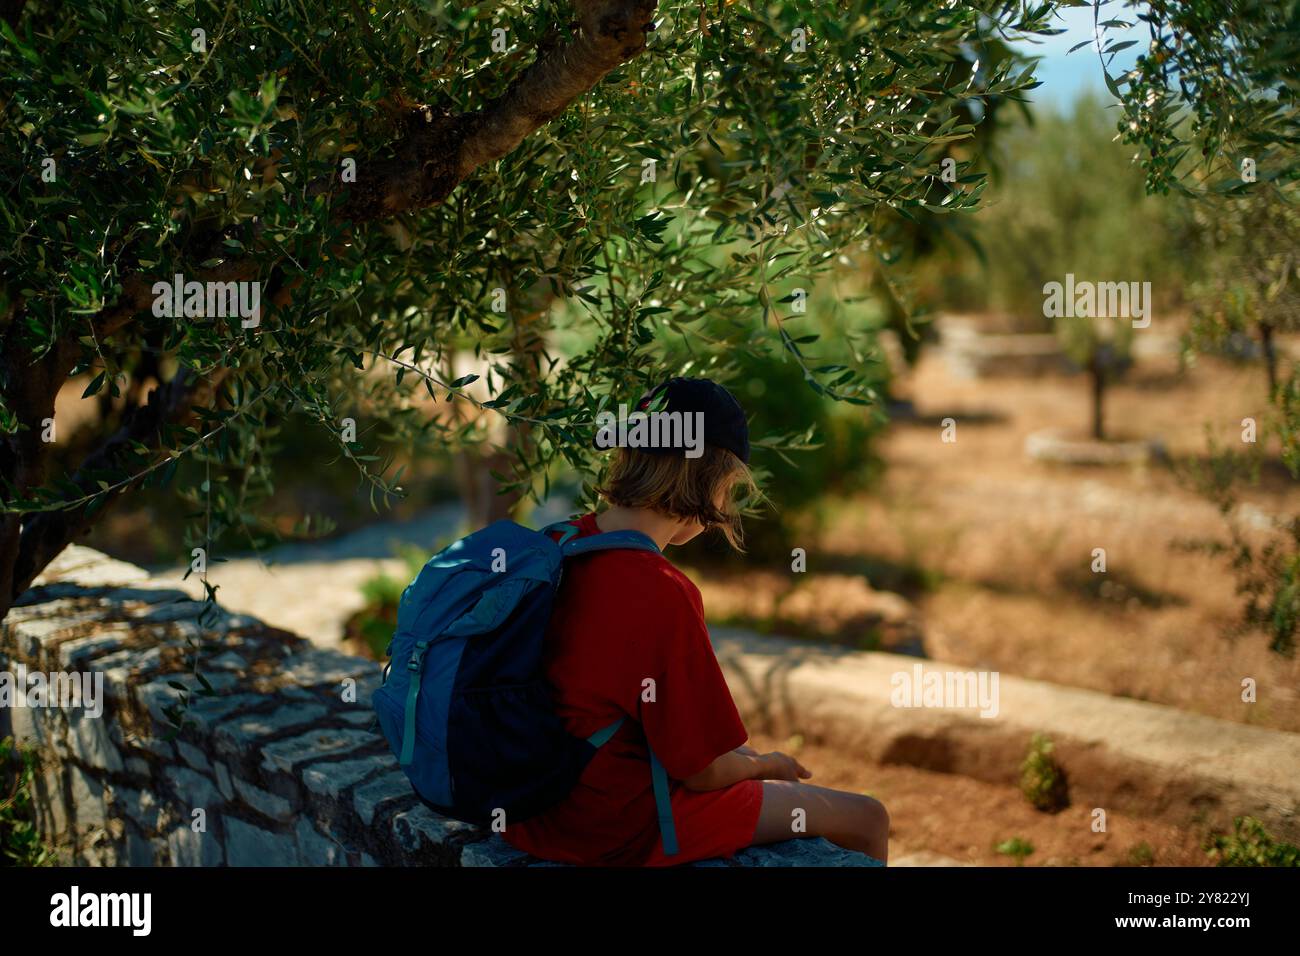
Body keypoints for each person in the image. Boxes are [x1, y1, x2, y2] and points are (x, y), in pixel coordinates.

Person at [503, 377, 890, 866]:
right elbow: (701, 772)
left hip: (529, 810)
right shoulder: (662, 590)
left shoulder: (558, 542)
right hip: (611, 825)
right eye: (731, 485)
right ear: (708, 477)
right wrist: (768, 765)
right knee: (868, 818)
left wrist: (748, 761)